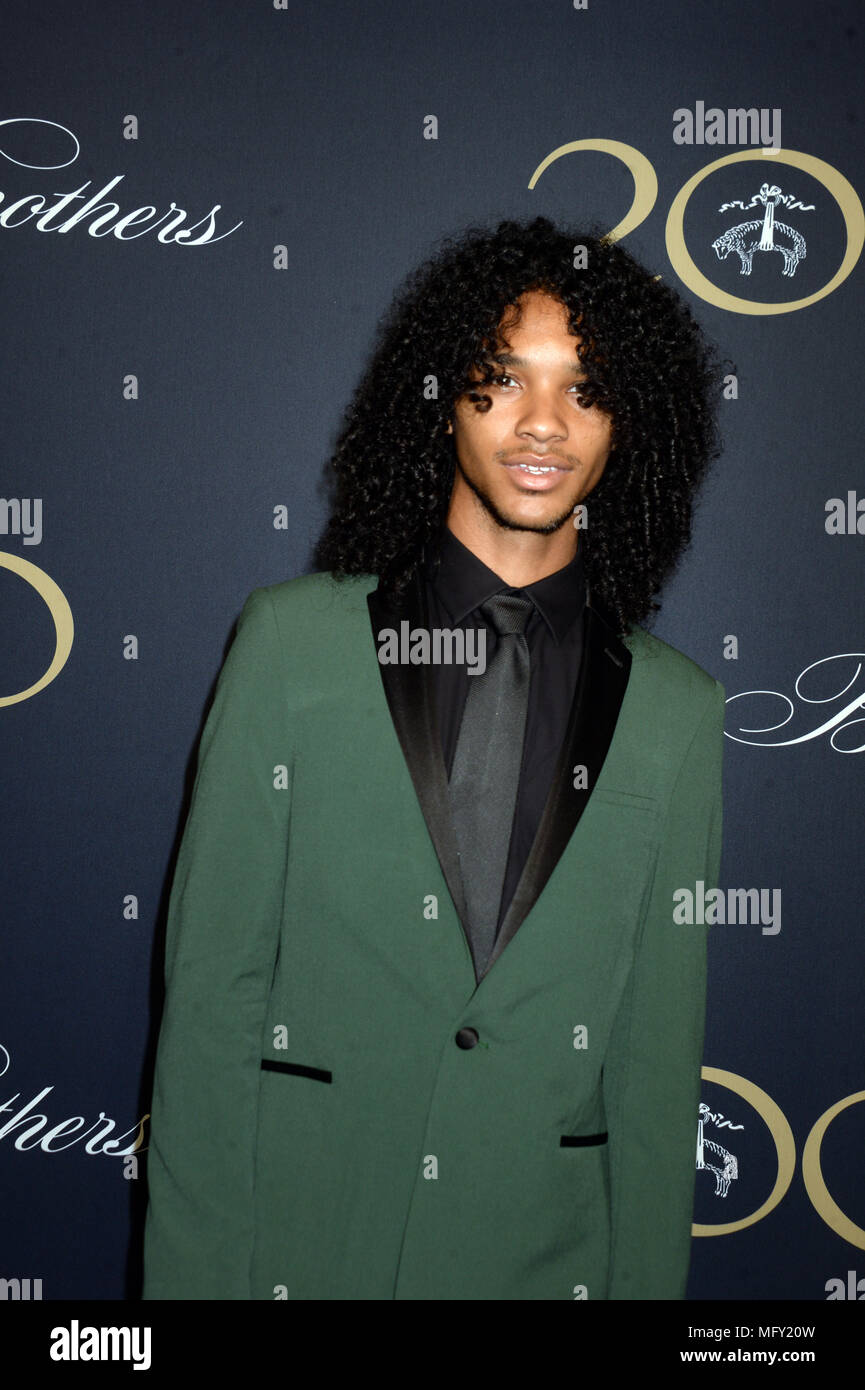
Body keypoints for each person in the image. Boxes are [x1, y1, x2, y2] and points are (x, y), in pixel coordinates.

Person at [142, 215, 726, 1301]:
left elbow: (654, 1076)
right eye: (503, 378)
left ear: (627, 426)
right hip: (299, 1253)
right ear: (443, 395)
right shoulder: (290, 644)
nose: (542, 424)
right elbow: (212, 1001)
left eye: (585, 389)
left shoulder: (678, 712)